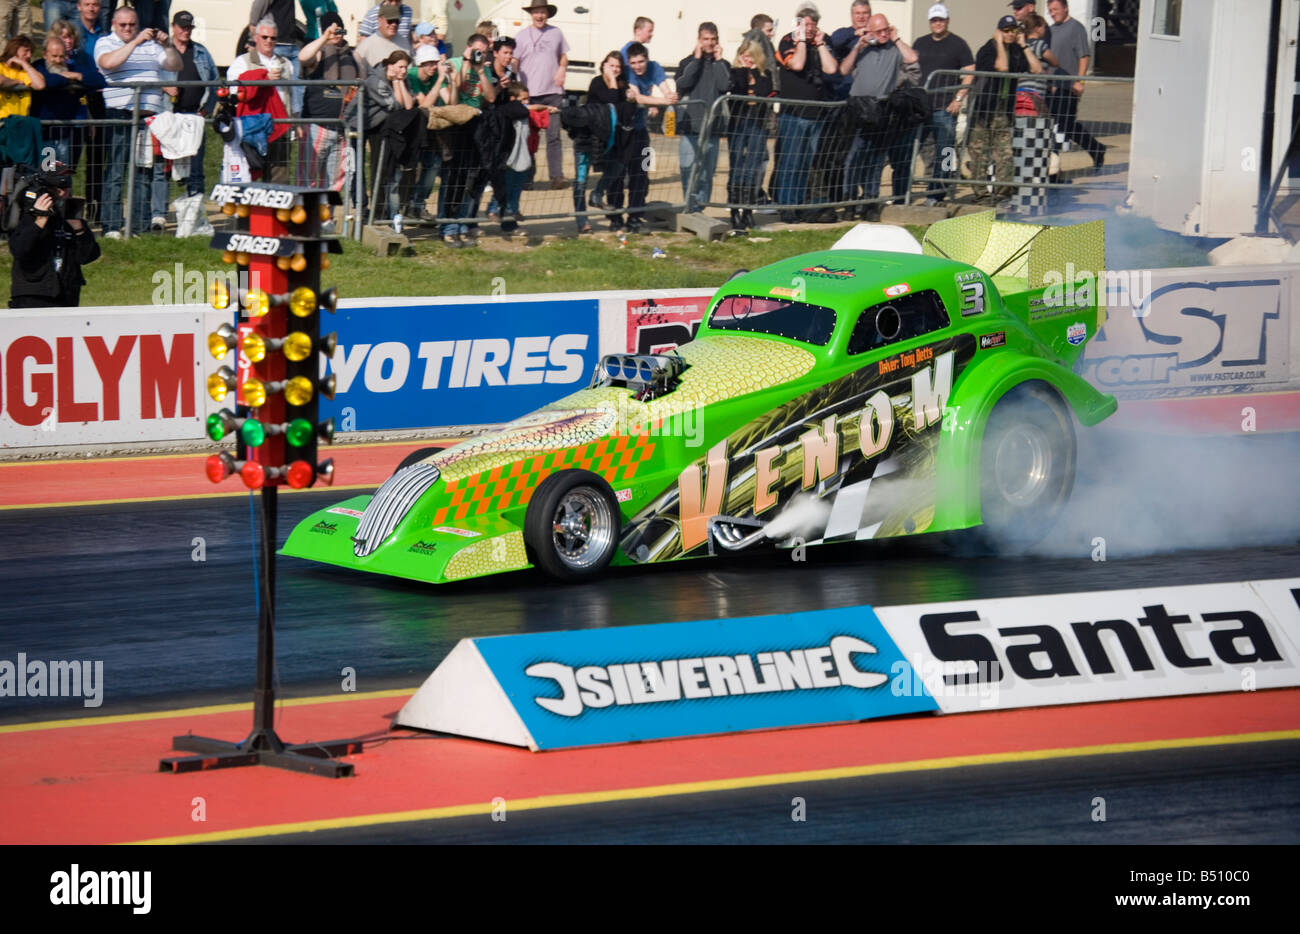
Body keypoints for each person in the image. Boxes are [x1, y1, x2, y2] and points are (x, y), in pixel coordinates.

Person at [95, 6, 181, 238]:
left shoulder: (152, 45)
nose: (127, 29)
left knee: (142, 173)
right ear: (114, 24)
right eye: (123, 25)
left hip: (147, 118)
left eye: (132, 25)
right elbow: (108, 63)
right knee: (115, 172)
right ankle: (112, 226)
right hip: (119, 114)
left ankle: (138, 226)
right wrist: (134, 42)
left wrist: (168, 45)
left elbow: (175, 65)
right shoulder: (106, 42)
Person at [839, 13, 919, 216]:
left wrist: (896, 38)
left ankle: (870, 202)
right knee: (854, 157)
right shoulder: (862, 48)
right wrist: (859, 45)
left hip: (882, 108)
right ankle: (849, 200)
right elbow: (844, 69)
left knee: (875, 160)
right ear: (871, 31)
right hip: (859, 107)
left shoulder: (894, 48)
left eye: (886, 29)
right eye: (879, 31)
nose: (883, 34)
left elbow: (912, 58)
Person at [773, 3, 838, 223]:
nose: (810, 28)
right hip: (792, 114)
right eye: (805, 24)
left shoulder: (823, 41)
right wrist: (801, 39)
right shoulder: (787, 41)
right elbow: (797, 64)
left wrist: (820, 45)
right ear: (798, 24)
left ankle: (800, 205)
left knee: (805, 165)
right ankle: (787, 207)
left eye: (813, 24)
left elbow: (831, 69)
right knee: (790, 163)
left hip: (815, 115)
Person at [968, 13, 1041, 204]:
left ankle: (1002, 194)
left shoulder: (1017, 49)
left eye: (1013, 31)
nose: (1010, 34)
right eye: (1006, 31)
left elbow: (1036, 68)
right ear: (999, 31)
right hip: (983, 111)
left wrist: (1023, 44)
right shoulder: (987, 50)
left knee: (1005, 155)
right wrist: (999, 42)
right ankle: (982, 196)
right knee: (980, 157)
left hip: (1003, 110)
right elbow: (1001, 67)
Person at [8, 165, 100, 308]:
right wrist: (39, 221)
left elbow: (88, 257)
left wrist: (81, 231)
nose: (64, 192)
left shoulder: (70, 212)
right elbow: (19, 249)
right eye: (59, 187)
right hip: (34, 294)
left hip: (67, 293)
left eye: (66, 186)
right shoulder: (29, 212)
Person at [911, 3, 973, 204]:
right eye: (934, 20)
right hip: (922, 109)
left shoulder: (958, 44)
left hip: (945, 109)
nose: (937, 23)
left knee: (945, 152)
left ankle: (938, 194)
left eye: (941, 20)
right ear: (929, 22)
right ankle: (928, 188)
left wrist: (958, 99)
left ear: (947, 20)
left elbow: (969, 73)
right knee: (919, 150)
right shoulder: (920, 43)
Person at [158, 11, 217, 209]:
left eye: (189, 27)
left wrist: (207, 108)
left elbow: (215, 82)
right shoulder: (163, 50)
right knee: (165, 166)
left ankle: (195, 211)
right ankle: (160, 212)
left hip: (194, 116)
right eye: (182, 27)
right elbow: (150, 76)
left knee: (196, 167)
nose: (186, 31)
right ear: (173, 27)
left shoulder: (201, 51)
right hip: (169, 115)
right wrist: (164, 87)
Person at [298, 12, 360, 193]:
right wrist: (325, 38)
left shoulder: (350, 55)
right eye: (333, 30)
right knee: (307, 180)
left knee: (335, 184)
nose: (337, 34)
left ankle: (328, 219)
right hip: (317, 127)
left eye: (340, 29)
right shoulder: (319, 52)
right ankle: (307, 219)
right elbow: (303, 57)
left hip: (341, 128)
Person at [228, 16, 293, 182]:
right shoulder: (242, 62)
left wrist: (294, 123)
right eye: (265, 37)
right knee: (251, 176)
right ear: (256, 38)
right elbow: (234, 91)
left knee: (280, 181)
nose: (269, 41)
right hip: (252, 128)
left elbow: (292, 96)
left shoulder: (286, 64)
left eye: (273, 38)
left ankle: (276, 209)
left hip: (279, 126)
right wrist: (262, 78)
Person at [675, 22, 730, 212]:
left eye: (713, 39)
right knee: (688, 170)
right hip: (690, 126)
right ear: (699, 40)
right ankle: (689, 207)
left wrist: (719, 60)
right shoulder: (687, 62)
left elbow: (724, 86)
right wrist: (697, 59)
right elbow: (683, 83)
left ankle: (701, 208)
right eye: (706, 39)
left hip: (712, 127)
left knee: (707, 173)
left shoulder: (722, 64)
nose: (710, 43)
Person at [513, 2, 568, 188]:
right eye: (536, 12)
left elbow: (563, 56)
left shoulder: (556, 33)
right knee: (529, 137)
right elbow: (515, 61)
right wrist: (516, 84)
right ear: (531, 14)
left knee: (554, 137)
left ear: (547, 14)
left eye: (542, 12)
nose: (539, 16)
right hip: (530, 94)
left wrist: (561, 70)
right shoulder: (521, 36)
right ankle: (527, 178)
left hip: (553, 92)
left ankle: (556, 177)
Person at [34, 31, 104, 176]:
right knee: (47, 176)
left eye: (62, 56)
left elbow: (99, 80)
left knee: (62, 177)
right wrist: (65, 78)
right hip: (44, 133)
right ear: (44, 54)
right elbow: (48, 82)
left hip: (64, 133)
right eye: (54, 56)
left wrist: (77, 76)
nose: (58, 60)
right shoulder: (38, 67)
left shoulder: (71, 68)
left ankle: (62, 199)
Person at [1047, 0, 1104, 167]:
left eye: (1056, 9)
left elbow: (1084, 56)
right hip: (1053, 86)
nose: (1052, 13)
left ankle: (1095, 149)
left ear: (1065, 8)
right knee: (1062, 125)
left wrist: (1080, 81)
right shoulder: (1051, 30)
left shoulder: (1076, 28)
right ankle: (1096, 149)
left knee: (1064, 125)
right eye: (1050, 10)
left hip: (1069, 86)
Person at [726, 37, 774, 231]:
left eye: (751, 56)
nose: (748, 59)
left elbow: (764, 92)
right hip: (738, 124)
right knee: (737, 166)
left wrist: (754, 70)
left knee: (753, 169)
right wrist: (744, 70)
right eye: (744, 56)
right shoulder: (735, 73)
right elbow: (737, 89)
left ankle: (748, 211)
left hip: (757, 125)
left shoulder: (765, 75)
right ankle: (734, 211)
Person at [400, 43, 451, 221]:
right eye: (429, 63)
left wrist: (450, 80)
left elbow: (449, 100)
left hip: (430, 130)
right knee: (410, 170)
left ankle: (418, 204)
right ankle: (405, 206)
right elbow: (424, 104)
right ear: (420, 63)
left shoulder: (438, 74)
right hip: (411, 130)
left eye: (435, 63)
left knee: (433, 165)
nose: (433, 67)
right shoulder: (412, 75)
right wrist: (439, 81)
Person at [248, 0, 305, 114]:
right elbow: (257, 9)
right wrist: (253, 37)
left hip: (291, 44)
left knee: (297, 85)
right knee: (276, 87)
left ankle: (295, 121)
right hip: (276, 43)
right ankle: (276, 118)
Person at [0, 36, 46, 119]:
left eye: (31, 52)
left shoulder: (26, 72)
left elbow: (40, 85)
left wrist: (24, 64)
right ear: (14, 50)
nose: (29, 55)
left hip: (22, 122)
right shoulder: (1, 67)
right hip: (3, 122)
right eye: (26, 51)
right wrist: (17, 82)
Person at [354, 3, 406, 71]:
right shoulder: (366, 46)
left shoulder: (404, 43)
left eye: (397, 21)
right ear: (379, 20)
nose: (394, 24)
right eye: (390, 21)